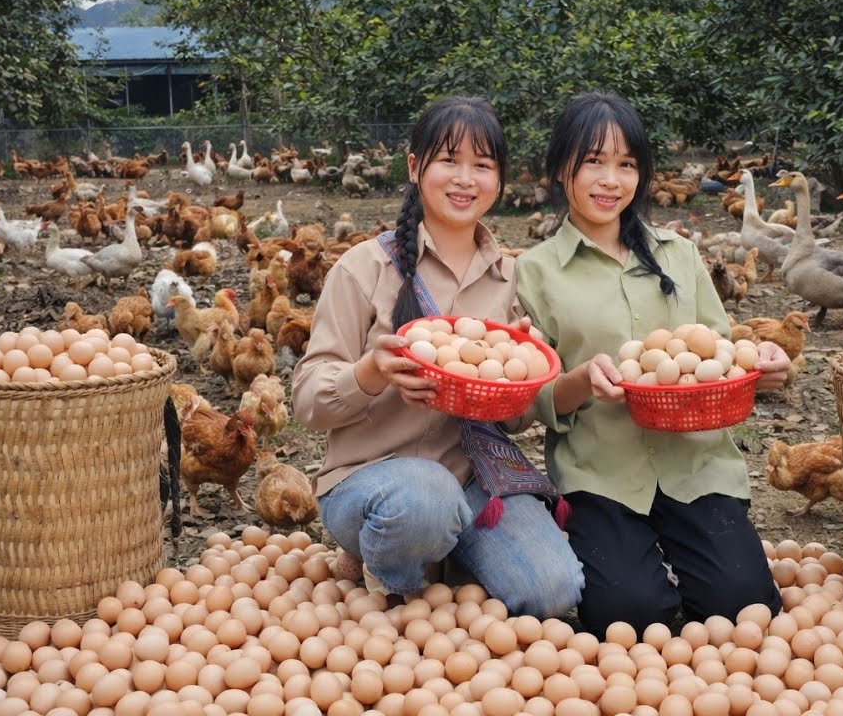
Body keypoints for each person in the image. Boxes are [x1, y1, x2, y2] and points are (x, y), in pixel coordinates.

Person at [292, 96, 583, 615]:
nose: (465, 178)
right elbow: (307, 402)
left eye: (483, 165)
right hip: (370, 480)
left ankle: (444, 552)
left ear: (500, 179)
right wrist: (369, 374)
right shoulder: (363, 268)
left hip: (476, 482)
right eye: (449, 160)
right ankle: (391, 569)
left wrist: (519, 373)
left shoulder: (511, 279)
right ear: (414, 167)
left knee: (552, 590)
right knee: (424, 497)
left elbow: (515, 421)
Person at [515, 92, 789, 636]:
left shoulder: (678, 255)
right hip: (602, 470)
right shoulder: (533, 271)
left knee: (740, 604)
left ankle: (682, 555)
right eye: (593, 160)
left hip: (693, 461)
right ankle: (629, 557)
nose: (609, 179)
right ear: (561, 168)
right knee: (627, 615)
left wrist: (765, 366)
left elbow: (720, 355)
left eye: (626, 164)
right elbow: (530, 400)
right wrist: (580, 381)